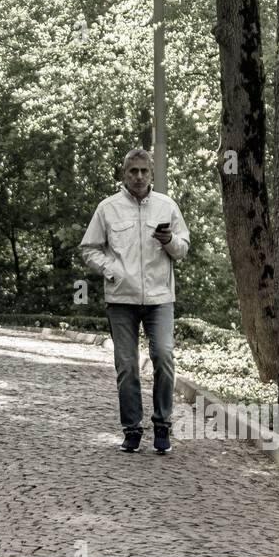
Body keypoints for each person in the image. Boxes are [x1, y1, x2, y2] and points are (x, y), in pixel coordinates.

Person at [79, 148, 190, 455]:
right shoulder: (107, 208)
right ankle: (131, 429)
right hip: (121, 298)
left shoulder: (166, 206)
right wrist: (110, 269)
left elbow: (183, 248)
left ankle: (162, 425)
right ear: (124, 174)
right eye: (133, 171)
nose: (139, 176)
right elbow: (89, 248)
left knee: (164, 358)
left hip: (160, 298)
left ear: (151, 173)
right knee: (127, 366)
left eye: (144, 171)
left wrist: (169, 241)